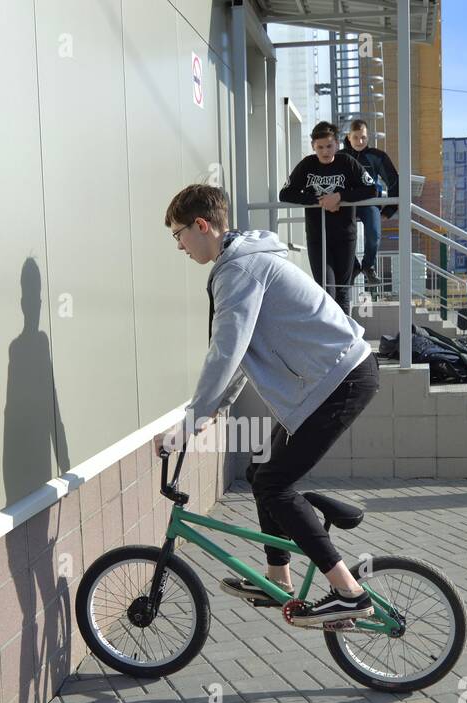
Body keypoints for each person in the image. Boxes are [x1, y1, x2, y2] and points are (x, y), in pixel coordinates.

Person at [157, 184, 380, 627]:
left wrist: (193, 417)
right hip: (329, 381)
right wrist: (218, 407)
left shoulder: (238, 270)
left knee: (276, 483)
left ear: (202, 226)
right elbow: (243, 350)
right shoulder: (245, 262)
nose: (179, 245)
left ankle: (348, 592)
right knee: (262, 472)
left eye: (179, 234)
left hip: (340, 380)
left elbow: (225, 349)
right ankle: (275, 576)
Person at [279, 121, 377, 316]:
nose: (325, 151)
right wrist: (318, 200)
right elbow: (285, 194)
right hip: (318, 237)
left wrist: (340, 197)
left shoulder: (347, 163)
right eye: (320, 147)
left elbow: (371, 188)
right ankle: (330, 338)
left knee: (342, 290)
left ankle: (346, 341)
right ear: (313, 146)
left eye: (329, 146)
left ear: (338, 145)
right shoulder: (307, 165)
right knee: (326, 289)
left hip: (345, 236)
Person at [340, 119, 399, 286]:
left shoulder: (377, 156)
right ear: (348, 137)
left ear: (368, 138)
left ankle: (368, 266)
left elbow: (394, 181)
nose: (360, 141)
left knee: (374, 234)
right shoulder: (340, 157)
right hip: (346, 204)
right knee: (341, 235)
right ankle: (353, 267)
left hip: (369, 202)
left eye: (363, 138)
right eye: (356, 137)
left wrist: (389, 210)